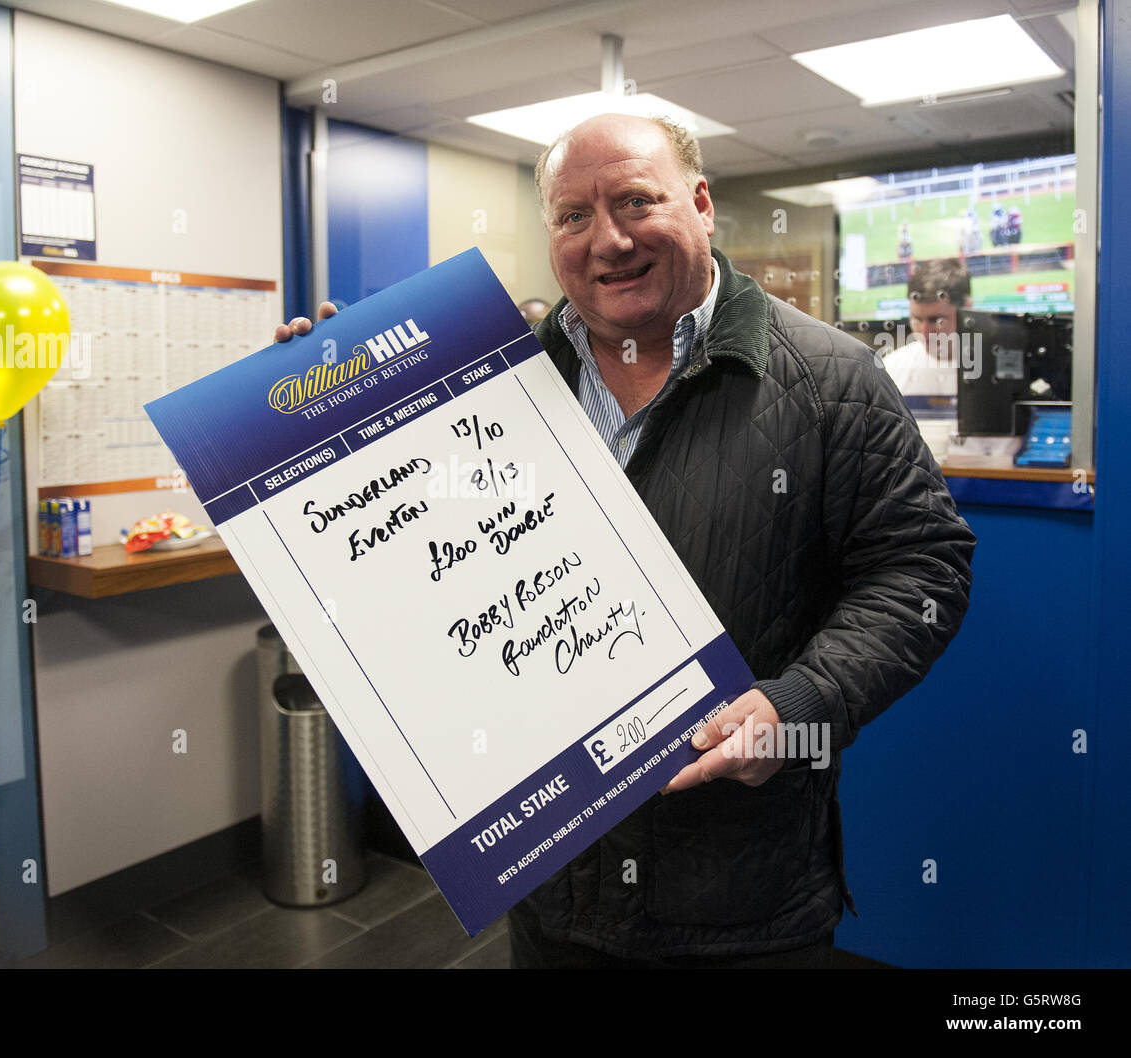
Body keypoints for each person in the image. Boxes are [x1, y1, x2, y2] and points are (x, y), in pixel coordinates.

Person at [277, 113, 975, 969]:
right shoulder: (493, 391)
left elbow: (922, 568)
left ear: (702, 204)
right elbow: (413, 554)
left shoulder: (831, 378)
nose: (607, 240)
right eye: (573, 216)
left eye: (636, 201)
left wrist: (801, 704)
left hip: (745, 902)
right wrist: (307, 409)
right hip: (551, 886)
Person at [882, 258, 969, 462]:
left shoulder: (998, 368)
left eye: (936, 320)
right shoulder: (891, 368)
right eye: (917, 319)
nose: (925, 332)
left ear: (967, 308)